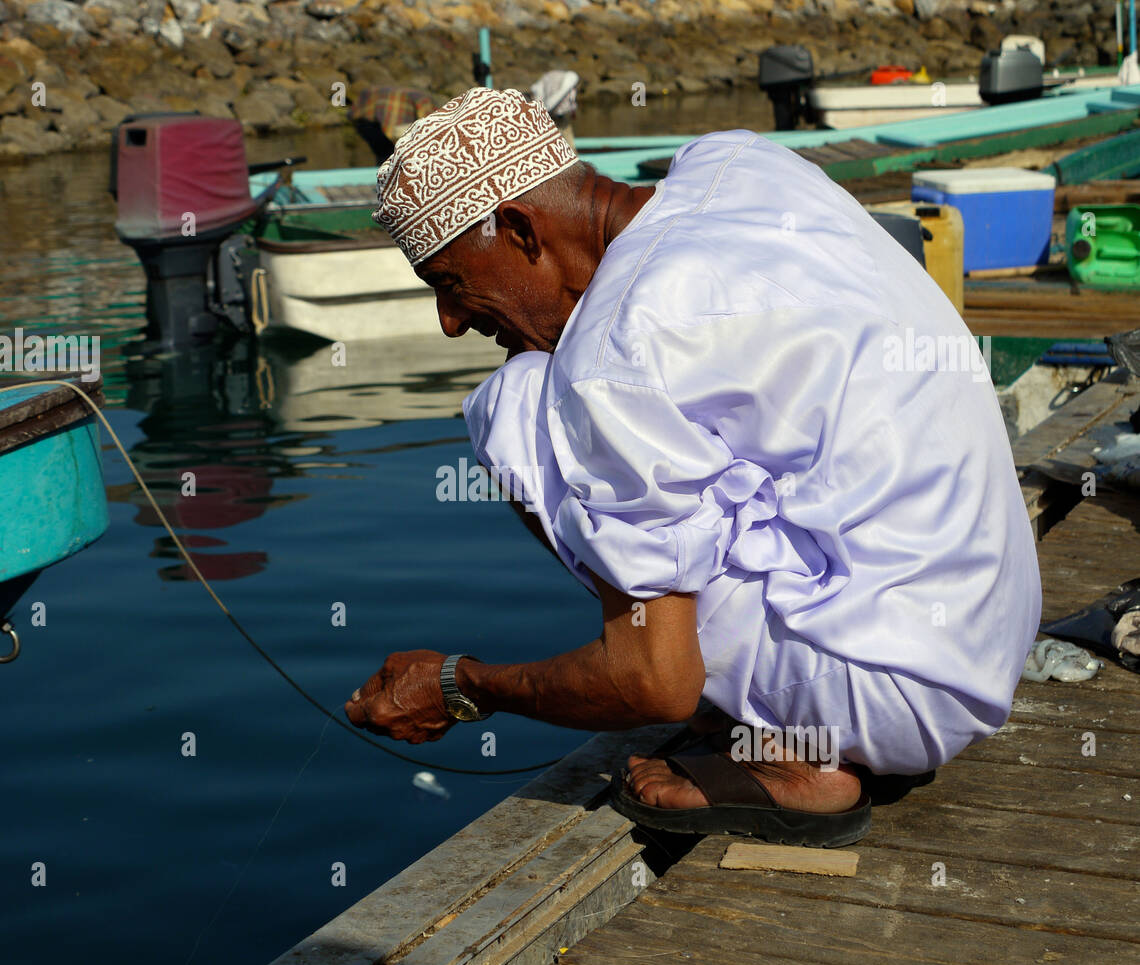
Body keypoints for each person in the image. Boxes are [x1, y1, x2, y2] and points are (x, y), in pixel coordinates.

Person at [346, 87, 1041, 846]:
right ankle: (773, 701)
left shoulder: (612, 357)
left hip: (896, 693)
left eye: (450, 284)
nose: (450, 324)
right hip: (988, 628)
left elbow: (653, 687)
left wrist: (463, 686)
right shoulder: (735, 161)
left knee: (512, 405)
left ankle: (790, 763)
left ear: (518, 230)